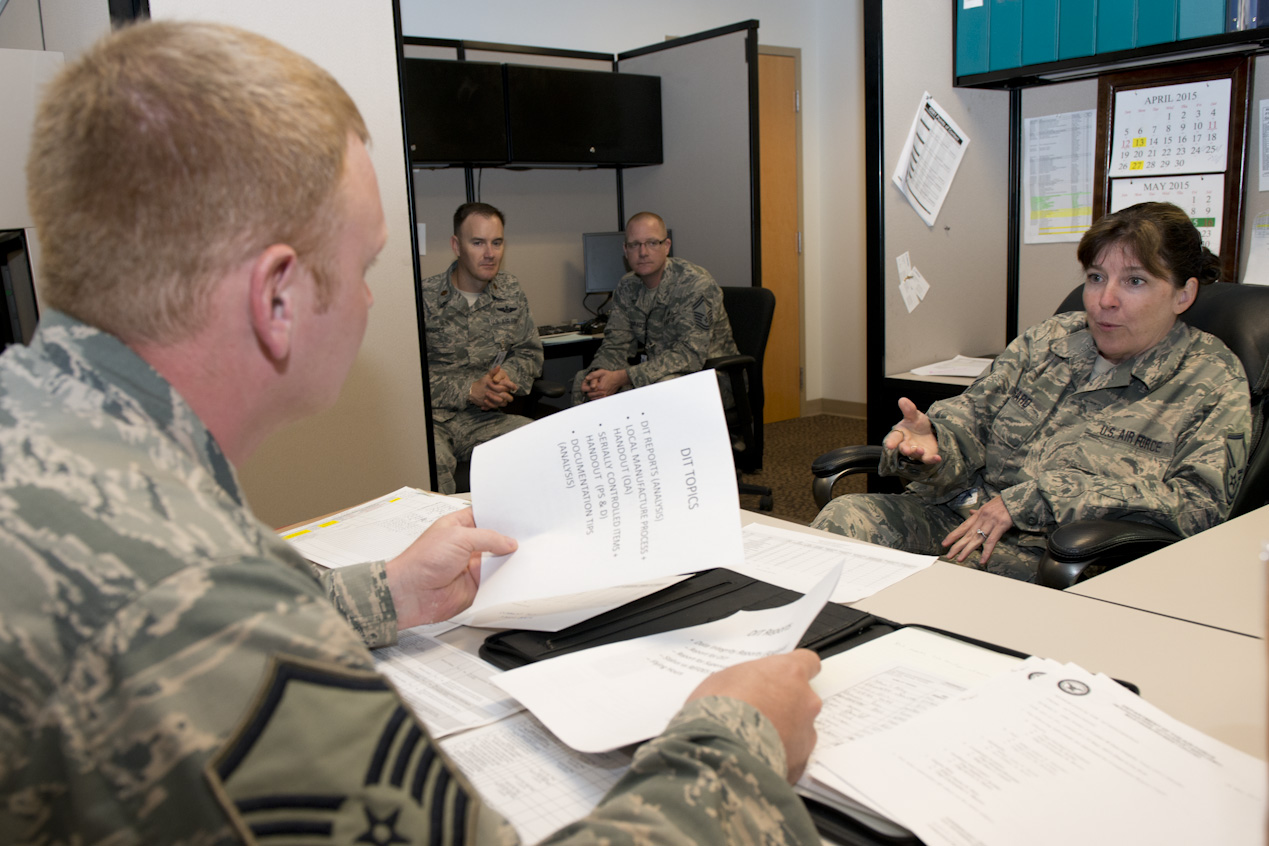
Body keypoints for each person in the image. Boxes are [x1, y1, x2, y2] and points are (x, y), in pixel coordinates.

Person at [0, 21, 825, 845]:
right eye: (363, 269)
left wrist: (389, 592)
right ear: (276, 298)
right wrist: (736, 746)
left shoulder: (52, 437)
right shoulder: (185, 592)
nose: (370, 302)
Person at [813, 202, 1251, 582]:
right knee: (842, 523)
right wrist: (934, 443)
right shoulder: (1052, 339)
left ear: (1183, 293)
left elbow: (1200, 509)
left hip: (1061, 554)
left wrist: (1036, 499)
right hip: (960, 515)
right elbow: (972, 417)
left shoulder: (1210, 379)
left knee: (940, 587)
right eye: (1097, 277)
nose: (1105, 300)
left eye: (1134, 281)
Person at [421, 203, 544, 494]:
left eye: (497, 242)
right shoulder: (424, 298)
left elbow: (529, 353)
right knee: (433, 469)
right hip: (435, 422)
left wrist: (504, 381)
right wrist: (468, 389)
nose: (490, 253)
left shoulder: (510, 291)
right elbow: (409, 380)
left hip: (485, 420)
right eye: (478, 243)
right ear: (456, 245)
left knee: (543, 445)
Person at [572, 211, 739, 404]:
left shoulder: (696, 285)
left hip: (711, 380)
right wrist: (598, 375)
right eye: (634, 245)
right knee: (583, 382)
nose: (643, 252)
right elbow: (616, 344)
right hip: (657, 374)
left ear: (666, 246)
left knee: (660, 389)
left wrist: (623, 377)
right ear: (625, 250)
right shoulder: (627, 287)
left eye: (652, 243)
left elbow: (690, 356)